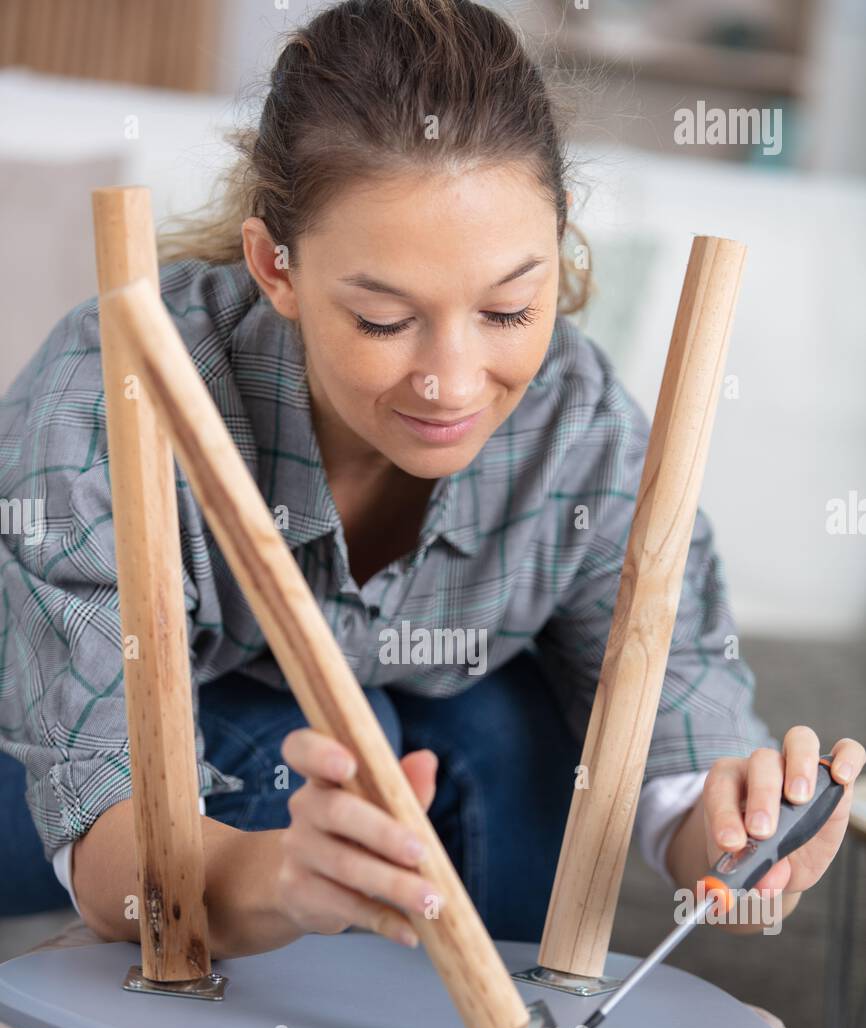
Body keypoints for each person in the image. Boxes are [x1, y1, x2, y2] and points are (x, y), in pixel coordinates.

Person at [0, 0, 861, 956]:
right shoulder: (107, 395)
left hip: (395, 745)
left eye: (507, 309)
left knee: (508, 729)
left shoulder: (579, 427)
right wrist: (287, 880)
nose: (451, 383)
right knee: (345, 729)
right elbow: (99, 815)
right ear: (273, 268)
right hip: (48, 772)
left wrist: (742, 839)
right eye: (382, 320)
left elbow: (672, 756)